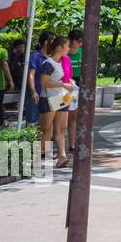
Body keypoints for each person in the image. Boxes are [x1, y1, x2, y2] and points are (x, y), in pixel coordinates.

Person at [37, 34, 77, 168]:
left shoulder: (62, 62)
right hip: (50, 98)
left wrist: (68, 84)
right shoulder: (49, 63)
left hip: (61, 97)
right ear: (60, 48)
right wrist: (63, 85)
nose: (69, 48)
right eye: (67, 46)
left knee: (58, 129)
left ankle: (61, 156)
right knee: (46, 130)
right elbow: (44, 82)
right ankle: (41, 156)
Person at [25, 30, 55, 128]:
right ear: (47, 42)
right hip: (37, 94)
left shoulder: (53, 58)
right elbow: (31, 75)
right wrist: (33, 92)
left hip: (49, 96)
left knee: (47, 124)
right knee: (33, 123)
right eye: (53, 41)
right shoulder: (35, 56)